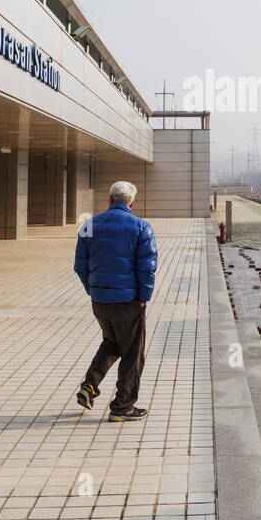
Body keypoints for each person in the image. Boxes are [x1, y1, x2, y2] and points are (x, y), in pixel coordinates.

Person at [73, 180, 157, 421]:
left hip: (100, 301)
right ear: (132, 203)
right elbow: (147, 267)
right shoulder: (142, 227)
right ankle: (123, 407)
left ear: (109, 200)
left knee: (112, 343)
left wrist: (94, 290)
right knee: (132, 353)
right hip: (128, 302)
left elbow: (80, 265)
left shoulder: (89, 225)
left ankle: (90, 385)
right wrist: (143, 297)